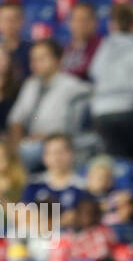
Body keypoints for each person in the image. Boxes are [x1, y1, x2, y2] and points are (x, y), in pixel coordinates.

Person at [89, 0, 133, 160]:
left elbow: (93, 72)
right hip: (127, 114)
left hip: (101, 114)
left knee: (118, 163)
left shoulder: (103, 49)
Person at [7, 38, 89, 167]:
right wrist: (18, 142)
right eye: (33, 59)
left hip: (59, 145)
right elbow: (16, 119)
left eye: (42, 58)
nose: (36, 64)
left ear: (58, 59)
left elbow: (76, 128)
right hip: (30, 144)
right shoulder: (30, 84)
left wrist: (48, 137)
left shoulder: (73, 86)